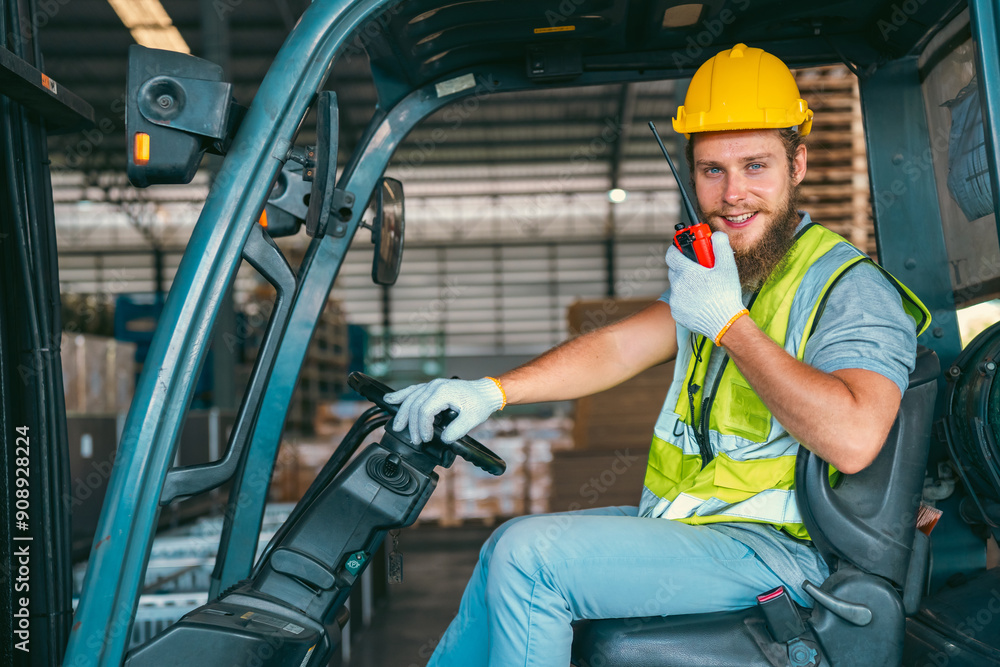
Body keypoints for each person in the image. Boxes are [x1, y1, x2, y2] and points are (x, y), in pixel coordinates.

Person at [384, 43, 931, 667]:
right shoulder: (732, 275)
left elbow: (855, 436)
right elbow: (618, 346)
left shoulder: (847, 287)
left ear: (798, 164)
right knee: (504, 545)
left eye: (756, 166)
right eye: (712, 170)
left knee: (530, 562)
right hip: (706, 528)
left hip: (789, 546)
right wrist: (490, 391)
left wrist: (731, 326)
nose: (732, 194)